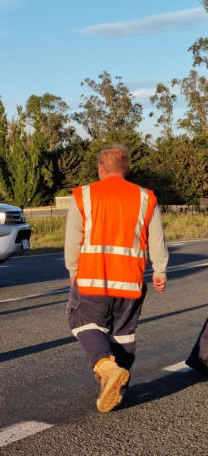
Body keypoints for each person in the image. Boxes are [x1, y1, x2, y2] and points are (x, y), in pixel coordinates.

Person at [65, 145, 168, 413]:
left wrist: (72, 270)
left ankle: (107, 368)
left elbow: (73, 238)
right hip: (130, 281)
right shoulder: (146, 197)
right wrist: (160, 271)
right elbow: (156, 239)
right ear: (127, 169)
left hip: (93, 277)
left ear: (100, 168)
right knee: (124, 334)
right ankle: (115, 385)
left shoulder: (84, 195)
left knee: (84, 323)